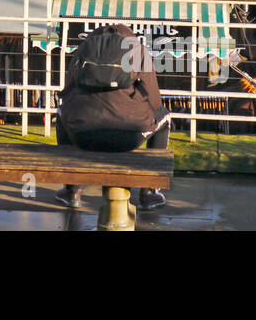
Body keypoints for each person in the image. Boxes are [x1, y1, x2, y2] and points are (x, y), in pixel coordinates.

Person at [55, 24, 171, 211]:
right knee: (164, 117)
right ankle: (149, 192)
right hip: (128, 137)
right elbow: (155, 101)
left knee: (61, 113)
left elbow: (68, 90)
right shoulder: (138, 51)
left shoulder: (83, 50)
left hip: (83, 135)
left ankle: (72, 188)